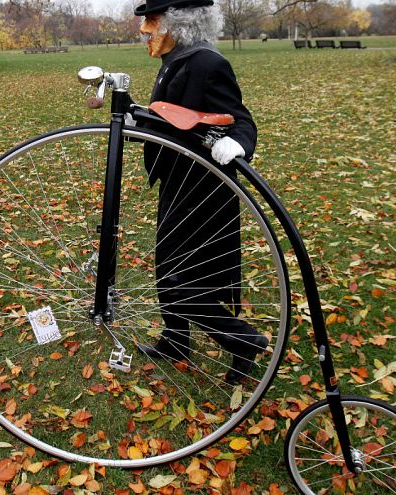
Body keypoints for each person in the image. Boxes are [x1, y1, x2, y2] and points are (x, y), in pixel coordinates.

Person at [133, 0, 267, 383]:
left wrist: (239, 144)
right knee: (166, 266)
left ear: (179, 23)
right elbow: (174, 116)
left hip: (203, 190)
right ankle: (176, 339)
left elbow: (239, 118)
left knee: (183, 277)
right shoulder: (176, 59)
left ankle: (243, 342)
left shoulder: (208, 63)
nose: (145, 29)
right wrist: (137, 117)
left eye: (153, 21)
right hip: (177, 180)